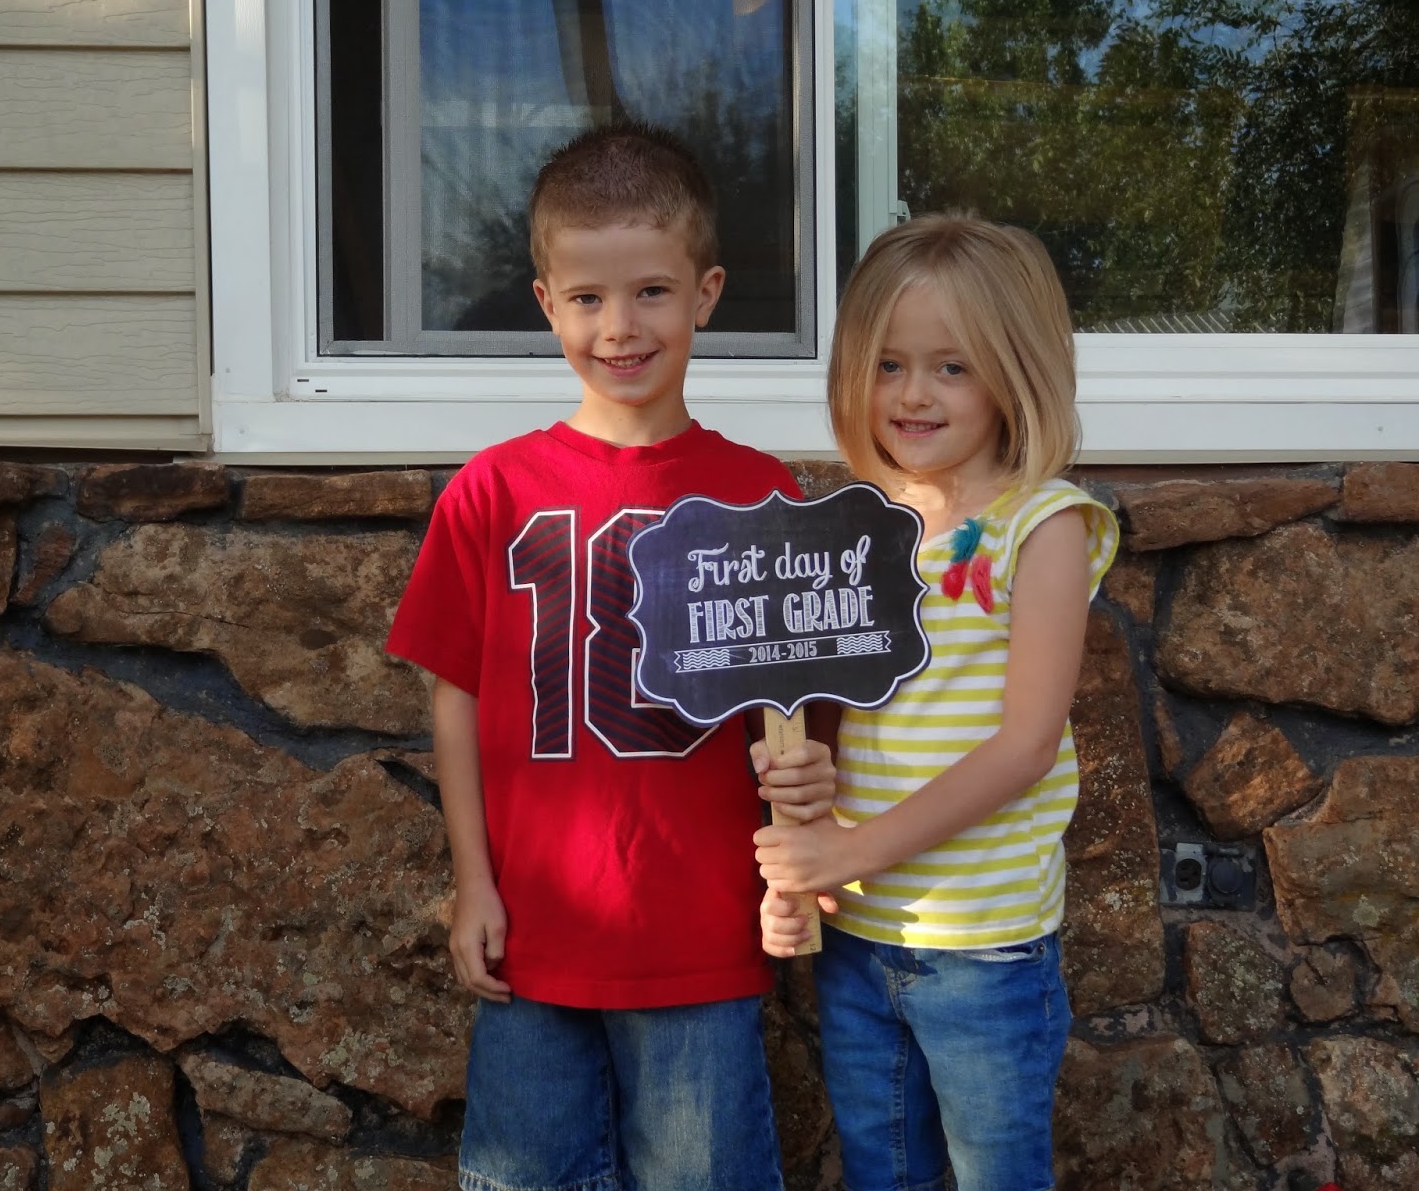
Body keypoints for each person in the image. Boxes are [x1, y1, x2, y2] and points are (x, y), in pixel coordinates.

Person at [386, 121, 835, 1191]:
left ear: (706, 292)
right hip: (533, 937)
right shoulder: (490, 492)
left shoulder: (761, 496)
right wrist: (470, 883)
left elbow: (802, 720)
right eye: (586, 299)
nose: (619, 327)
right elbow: (455, 699)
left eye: (651, 293)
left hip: (697, 933)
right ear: (546, 302)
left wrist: (808, 800)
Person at [754, 213, 1119, 1191]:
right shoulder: (852, 526)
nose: (913, 393)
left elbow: (1022, 749)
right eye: (889, 364)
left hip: (983, 951)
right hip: (860, 939)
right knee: (886, 1175)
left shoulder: (1040, 524)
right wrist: (796, 870)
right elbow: (816, 721)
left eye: (952, 367)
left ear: (1015, 372)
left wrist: (848, 851)